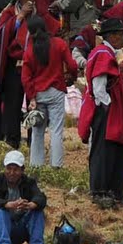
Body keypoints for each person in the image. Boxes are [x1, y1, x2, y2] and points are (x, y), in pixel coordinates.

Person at [85, 17, 123, 202]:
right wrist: (108, 107)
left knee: (115, 150)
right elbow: (98, 87)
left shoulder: (105, 53)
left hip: (110, 110)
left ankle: (114, 191)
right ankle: (100, 191)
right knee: (103, 151)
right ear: (112, 36)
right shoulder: (104, 54)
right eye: (120, 35)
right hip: (106, 111)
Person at [20, 14, 78, 167]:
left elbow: (25, 78)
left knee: (37, 131)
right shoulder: (59, 44)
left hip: (38, 93)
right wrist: (72, 76)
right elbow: (72, 65)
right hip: (56, 90)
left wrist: (32, 97)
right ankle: (56, 165)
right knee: (56, 130)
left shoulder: (29, 51)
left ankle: (36, 165)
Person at [0, 150, 48, 244]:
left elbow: (41, 197)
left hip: (19, 229)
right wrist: (7, 204)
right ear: (4, 168)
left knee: (37, 211)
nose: (12, 173)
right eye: (9, 169)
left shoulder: (29, 182)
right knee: (1, 212)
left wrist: (31, 204)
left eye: (16, 169)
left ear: (22, 170)